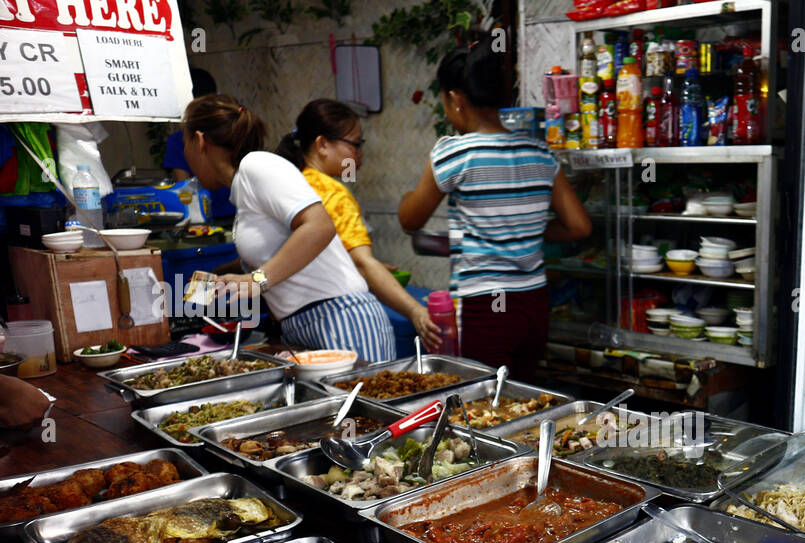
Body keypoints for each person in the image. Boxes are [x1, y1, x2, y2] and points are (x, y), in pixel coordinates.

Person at [398, 40, 591, 380]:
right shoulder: (539, 152)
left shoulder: (454, 154)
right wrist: (524, 228)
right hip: (533, 304)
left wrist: (405, 198)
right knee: (521, 400)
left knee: (484, 407)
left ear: (456, 99)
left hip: (484, 307)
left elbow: (410, 220)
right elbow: (579, 226)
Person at [181, 94, 397, 361]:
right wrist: (223, 275)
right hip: (307, 327)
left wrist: (256, 280)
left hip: (340, 318)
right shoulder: (242, 190)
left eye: (184, 143)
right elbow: (277, 253)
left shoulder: (257, 165)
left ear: (200, 141)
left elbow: (319, 227)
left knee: (361, 403)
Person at [275, 99, 441, 350]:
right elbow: (364, 263)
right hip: (348, 321)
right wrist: (415, 311)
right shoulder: (334, 194)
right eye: (355, 144)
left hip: (296, 324)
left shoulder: (291, 184)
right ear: (322, 145)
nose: (360, 154)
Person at [164, 69, 237, 220]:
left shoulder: (180, 140)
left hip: (202, 217)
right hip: (236, 212)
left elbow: (184, 188)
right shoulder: (231, 129)